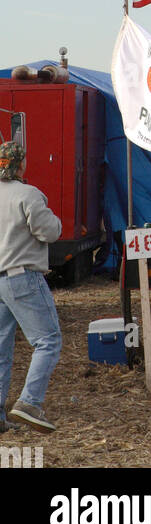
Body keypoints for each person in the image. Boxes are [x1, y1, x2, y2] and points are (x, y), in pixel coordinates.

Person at [0, 141, 63, 432]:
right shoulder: (28, 195)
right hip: (22, 277)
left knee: (1, 350)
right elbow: (48, 231)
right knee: (48, 340)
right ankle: (29, 403)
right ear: (20, 164)